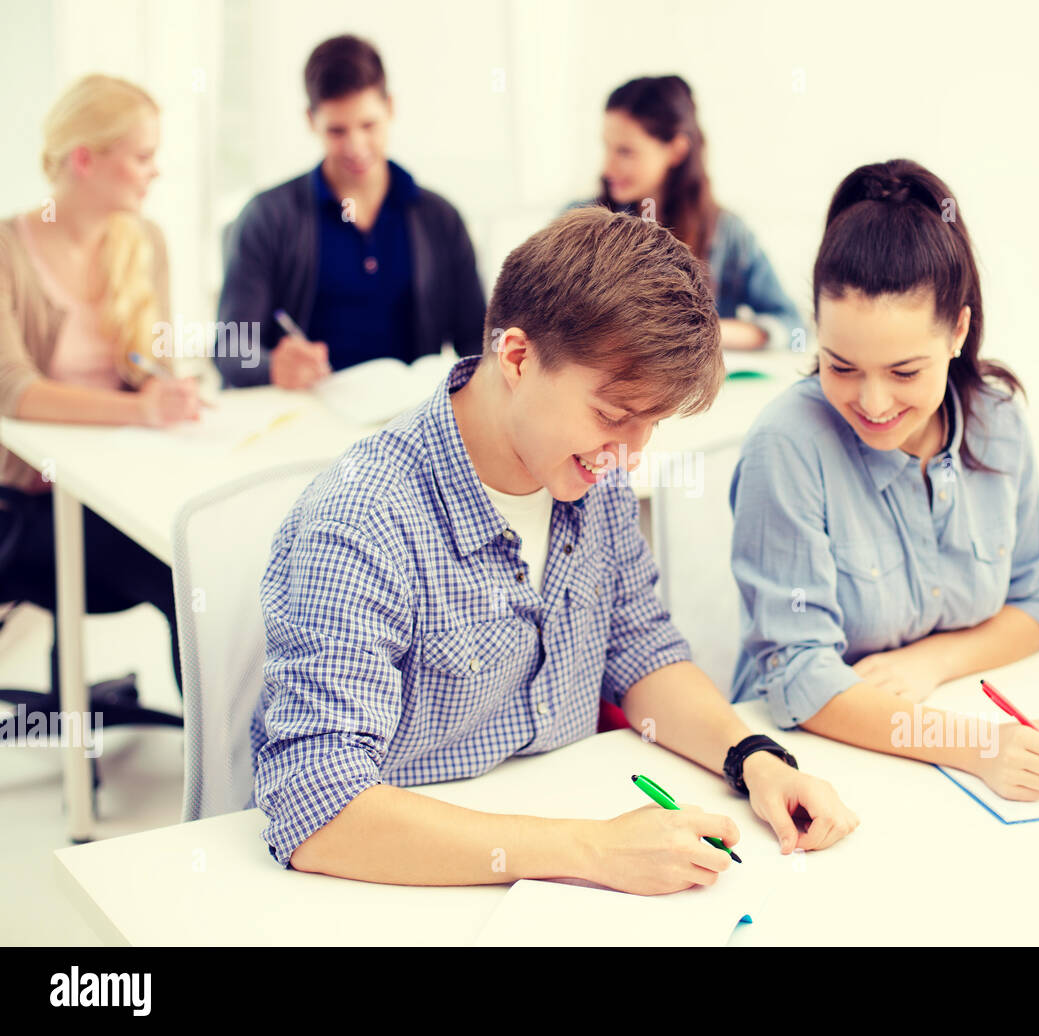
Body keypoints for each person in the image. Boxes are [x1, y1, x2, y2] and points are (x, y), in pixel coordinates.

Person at [251, 206, 859, 891]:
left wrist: (757, 760)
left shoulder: (587, 475)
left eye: (649, 425)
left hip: (555, 848)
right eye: (613, 416)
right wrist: (593, 852)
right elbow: (316, 808)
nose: (628, 457)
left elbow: (642, 651)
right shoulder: (360, 522)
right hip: (393, 889)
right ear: (516, 356)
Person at [729, 159, 1039, 802]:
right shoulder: (787, 445)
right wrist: (975, 746)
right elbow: (799, 677)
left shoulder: (998, 421)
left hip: (929, 739)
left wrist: (933, 662)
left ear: (957, 332)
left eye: (903, 372)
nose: (871, 402)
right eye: (841, 365)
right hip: (809, 769)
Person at [0, 74, 198, 692]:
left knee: (213, 561)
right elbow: (15, 392)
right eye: (142, 156)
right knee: (188, 576)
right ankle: (217, 785)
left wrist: (160, 386)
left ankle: (231, 770)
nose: (154, 171)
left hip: (117, 485)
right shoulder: (7, 251)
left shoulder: (145, 240)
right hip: (26, 507)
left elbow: (143, 364)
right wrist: (140, 412)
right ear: (85, 159)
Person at [215, 34, 485, 390]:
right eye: (337, 131)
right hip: (306, 414)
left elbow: (477, 341)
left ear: (391, 107)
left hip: (408, 418)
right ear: (311, 120)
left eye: (368, 125)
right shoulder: (267, 217)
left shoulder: (440, 218)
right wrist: (272, 368)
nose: (356, 147)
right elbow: (231, 347)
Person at [568, 75, 802, 352]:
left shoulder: (728, 233)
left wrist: (702, 331)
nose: (607, 168)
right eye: (606, 147)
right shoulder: (578, 221)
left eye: (625, 152)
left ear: (676, 151)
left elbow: (794, 327)